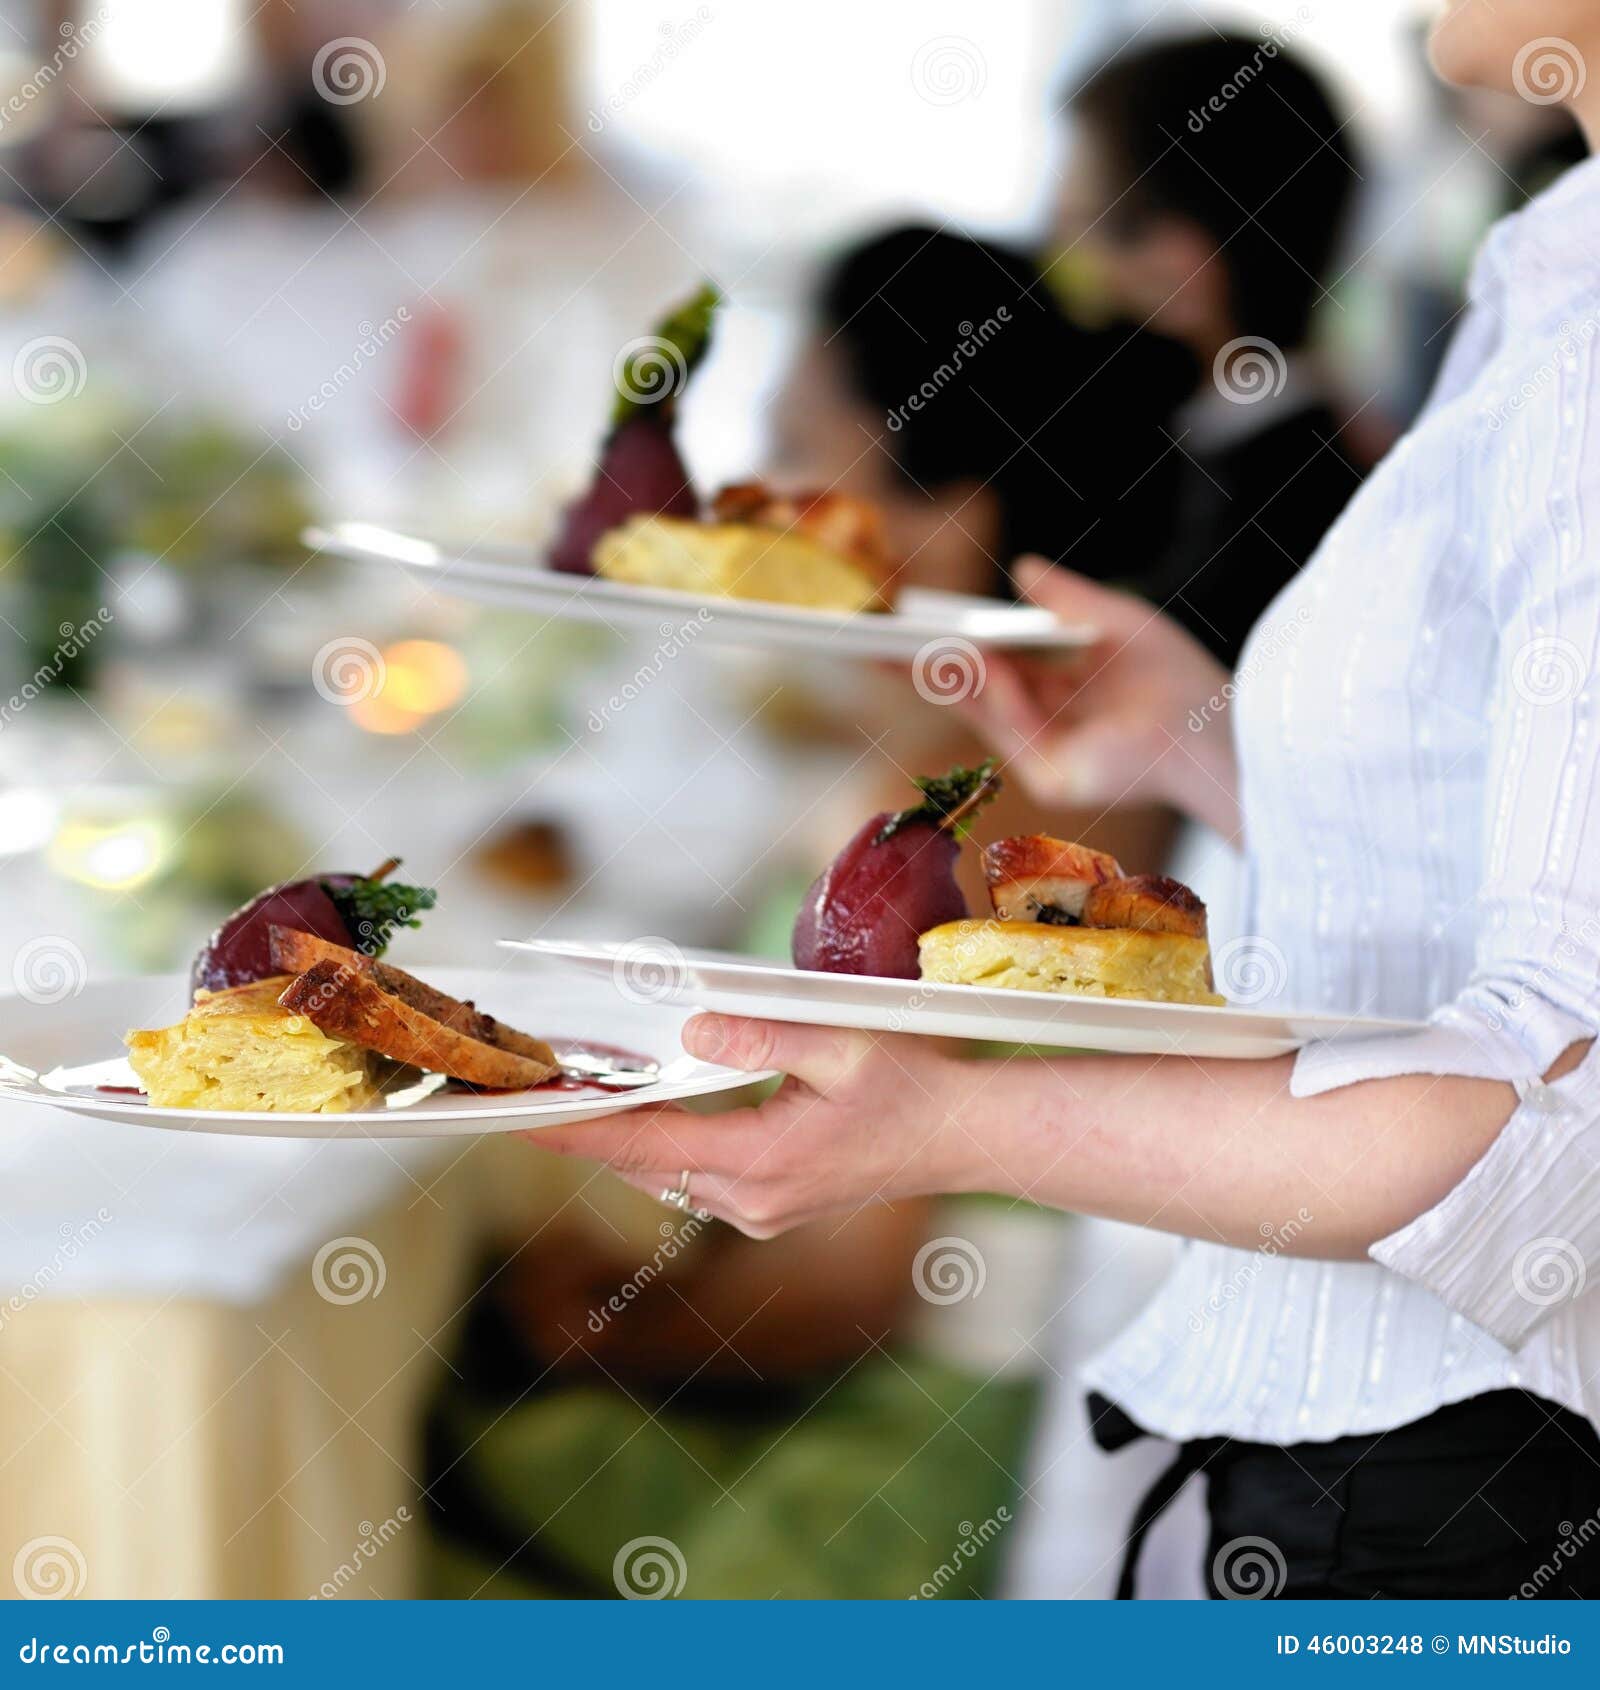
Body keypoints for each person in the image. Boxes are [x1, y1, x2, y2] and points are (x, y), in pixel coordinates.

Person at [529, 1, 1600, 1599]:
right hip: (1340, 1430)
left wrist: (949, 1121)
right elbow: (1463, 883)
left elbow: (1558, 1104)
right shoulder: (1546, 269)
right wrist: (1199, 741)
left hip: (1474, 1477)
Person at [1057, 32, 1368, 665]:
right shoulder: (1270, 449)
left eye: (1092, 225)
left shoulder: (1273, 505)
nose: (1069, 258)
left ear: (1184, 262)